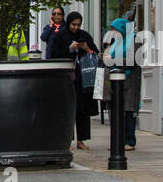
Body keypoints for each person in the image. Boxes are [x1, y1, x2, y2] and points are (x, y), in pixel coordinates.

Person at [48, 12, 98, 149]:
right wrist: (69, 49)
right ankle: (67, 140)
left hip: (83, 78)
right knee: (69, 108)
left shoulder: (84, 36)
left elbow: (95, 52)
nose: (76, 27)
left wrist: (86, 48)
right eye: (73, 24)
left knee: (83, 109)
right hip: (67, 77)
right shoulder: (60, 36)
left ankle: (81, 140)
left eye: (78, 25)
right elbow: (53, 55)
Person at [102, 17, 142, 150]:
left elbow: (132, 60)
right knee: (116, 112)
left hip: (129, 82)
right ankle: (118, 141)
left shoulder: (135, 41)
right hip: (115, 83)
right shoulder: (115, 43)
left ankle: (129, 141)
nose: (113, 33)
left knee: (128, 112)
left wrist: (112, 60)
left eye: (116, 30)